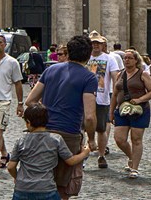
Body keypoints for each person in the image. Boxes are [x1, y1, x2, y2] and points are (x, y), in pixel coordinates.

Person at [24, 33, 97, 200]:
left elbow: (30, 101)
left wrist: (46, 113)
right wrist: (91, 139)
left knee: (41, 179)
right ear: (88, 54)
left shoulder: (51, 70)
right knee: (62, 185)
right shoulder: (88, 77)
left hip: (44, 131)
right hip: (68, 133)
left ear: (68, 52)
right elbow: (90, 117)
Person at [6, 103, 91, 200]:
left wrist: (17, 178)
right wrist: (85, 152)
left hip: (22, 189)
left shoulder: (21, 141)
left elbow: (11, 166)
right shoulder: (56, 139)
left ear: (28, 122)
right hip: (46, 188)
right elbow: (71, 160)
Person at [110, 49, 151, 179]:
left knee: (136, 139)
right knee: (119, 139)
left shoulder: (143, 74)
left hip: (139, 110)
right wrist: (111, 112)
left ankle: (134, 168)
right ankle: (131, 156)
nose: (126, 60)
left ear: (136, 60)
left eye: (130, 58)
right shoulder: (120, 75)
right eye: (125, 58)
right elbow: (114, 95)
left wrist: (140, 100)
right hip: (122, 110)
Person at [0, 32, 25, 159]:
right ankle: (4, 154)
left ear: (5, 45)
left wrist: (20, 103)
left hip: (4, 100)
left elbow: (18, 83)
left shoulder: (12, 62)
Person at [85, 32, 122, 169]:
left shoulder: (109, 59)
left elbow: (115, 77)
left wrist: (116, 95)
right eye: (93, 43)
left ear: (102, 45)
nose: (95, 45)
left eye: (98, 43)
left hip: (102, 98)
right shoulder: (84, 58)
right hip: (84, 98)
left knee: (101, 129)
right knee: (82, 128)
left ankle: (101, 155)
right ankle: (83, 156)